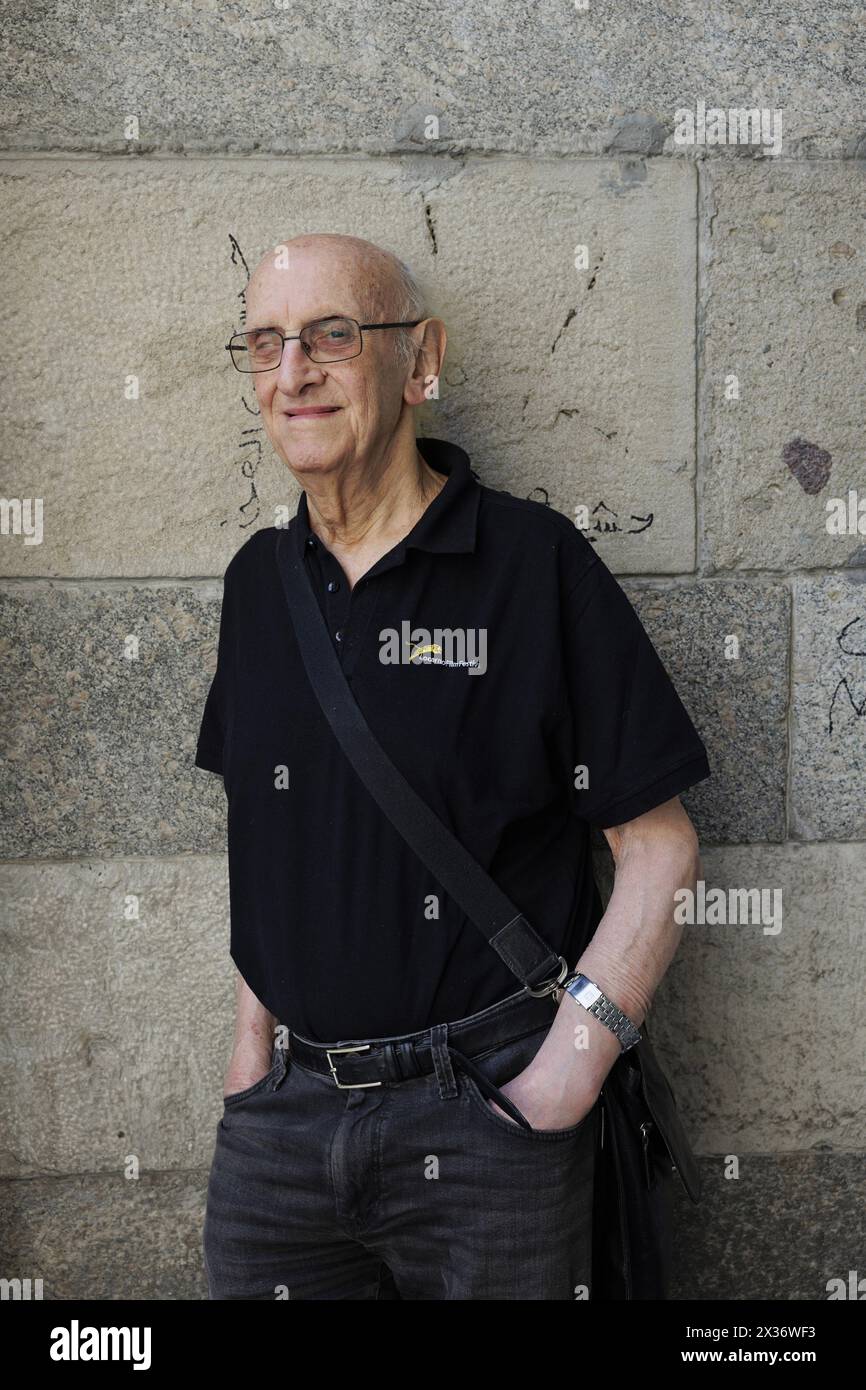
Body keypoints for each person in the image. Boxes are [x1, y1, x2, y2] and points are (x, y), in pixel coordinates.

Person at [195, 232, 711, 1300]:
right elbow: (268, 839)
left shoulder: (532, 566)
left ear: (417, 359)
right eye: (264, 343)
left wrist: (561, 1080)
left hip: (486, 1114)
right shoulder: (257, 585)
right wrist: (251, 1059)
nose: (292, 373)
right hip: (282, 1134)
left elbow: (657, 847)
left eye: (332, 336)